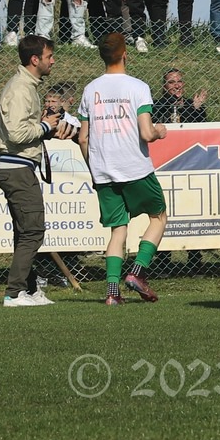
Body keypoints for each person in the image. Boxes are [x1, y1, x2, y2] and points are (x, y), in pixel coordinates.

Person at [75, 33, 165, 306]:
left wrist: (94, 170)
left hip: (103, 170)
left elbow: (82, 137)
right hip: (133, 167)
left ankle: (112, 293)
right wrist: (160, 131)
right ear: (126, 54)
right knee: (158, 217)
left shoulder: (91, 89)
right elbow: (147, 132)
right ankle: (137, 272)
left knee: (117, 229)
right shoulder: (137, 87)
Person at [0, 34, 73, 307]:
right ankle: (14, 293)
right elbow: (16, 133)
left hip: (19, 166)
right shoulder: (20, 89)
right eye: (50, 56)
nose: (54, 60)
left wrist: (46, 128)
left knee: (24, 231)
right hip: (16, 168)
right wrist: (45, 127)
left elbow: (24, 129)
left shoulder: (27, 87)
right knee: (33, 231)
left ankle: (27, 289)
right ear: (35, 59)